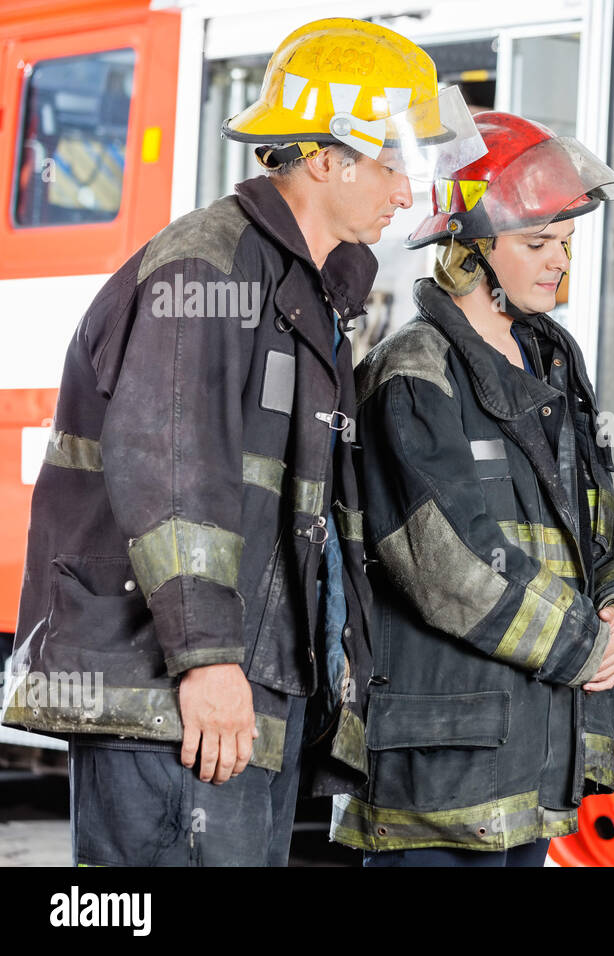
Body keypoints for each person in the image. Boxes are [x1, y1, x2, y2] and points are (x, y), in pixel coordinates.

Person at [0, 17, 485, 866]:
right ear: (329, 158)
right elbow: (175, 478)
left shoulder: (297, 288)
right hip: (176, 698)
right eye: (391, 166)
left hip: (240, 688)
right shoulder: (209, 271)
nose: (406, 193)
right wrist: (210, 663)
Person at [331, 111, 614, 866]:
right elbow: (450, 565)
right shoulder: (413, 372)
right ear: (470, 251)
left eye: (567, 245)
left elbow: (595, 526)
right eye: (537, 244)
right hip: (438, 777)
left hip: (533, 763)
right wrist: (587, 643)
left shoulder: (550, 360)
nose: (558, 264)